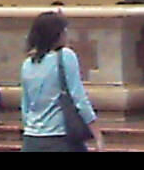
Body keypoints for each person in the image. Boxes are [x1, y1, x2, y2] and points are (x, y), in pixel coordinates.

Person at [20, 11, 104, 152]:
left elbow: (25, 105)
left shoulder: (28, 63)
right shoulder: (65, 56)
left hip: (32, 138)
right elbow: (79, 98)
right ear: (57, 34)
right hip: (60, 137)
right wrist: (97, 132)